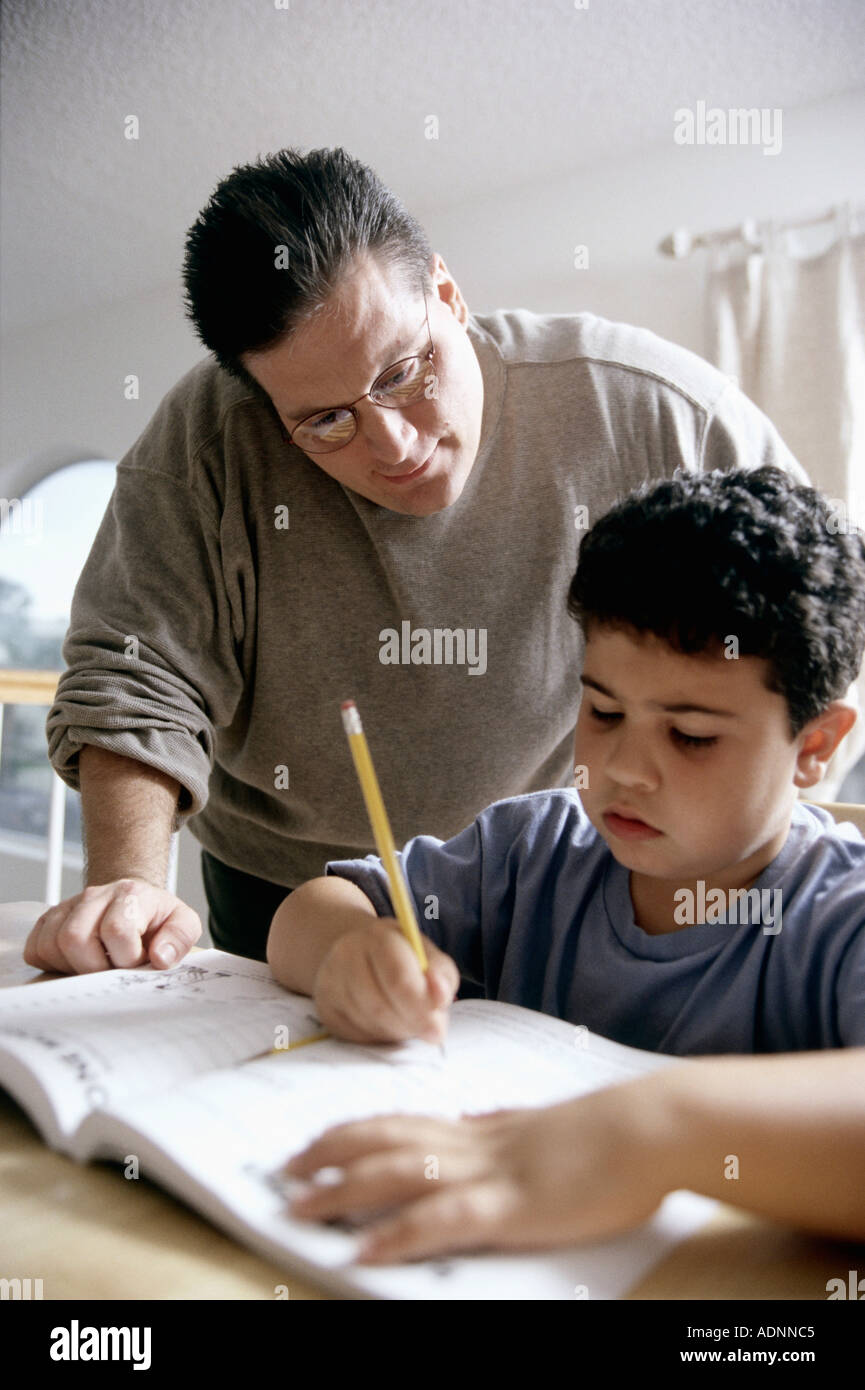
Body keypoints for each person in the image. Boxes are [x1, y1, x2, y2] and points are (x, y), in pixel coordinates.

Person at [30, 146, 807, 976]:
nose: (393, 445)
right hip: (287, 885)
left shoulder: (651, 409)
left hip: (554, 873)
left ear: (445, 292)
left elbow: (812, 608)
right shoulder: (207, 441)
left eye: (404, 372)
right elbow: (136, 673)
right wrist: (125, 892)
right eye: (325, 421)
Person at [267, 466, 865, 1260]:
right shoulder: (532, 851)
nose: (623, 770)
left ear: (812, 747)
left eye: (689, 735)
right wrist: (349, 952)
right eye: (603, 711)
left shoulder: (838, 913)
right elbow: (309, 911)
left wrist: (648, 1126)